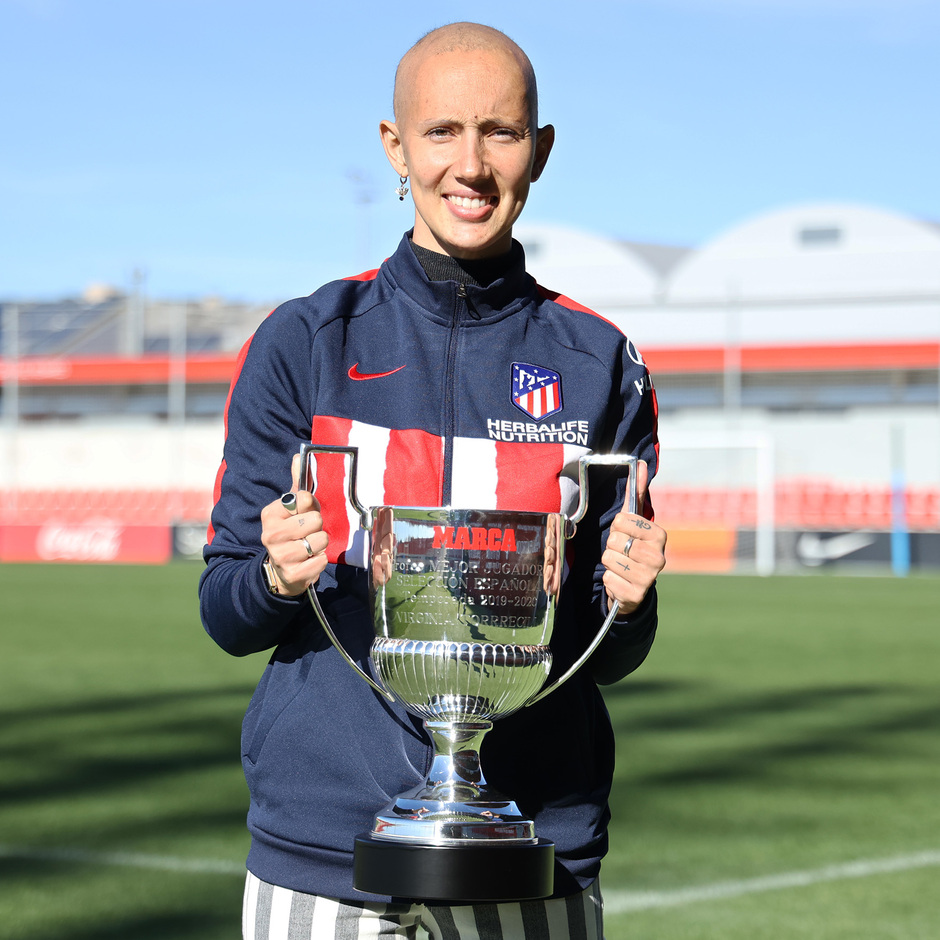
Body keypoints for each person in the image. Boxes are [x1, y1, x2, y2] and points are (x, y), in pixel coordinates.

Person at [200, 21, 667, 940]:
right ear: (396, 148)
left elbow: (606, 653)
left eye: (501, 131)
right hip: (321, 854)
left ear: (541, 151)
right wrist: (273, 577)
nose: (473, 164)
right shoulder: (304, 343)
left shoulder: (601, 362)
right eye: (443, 131)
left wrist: (633, 603)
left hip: (532, 845)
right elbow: (224, 610)